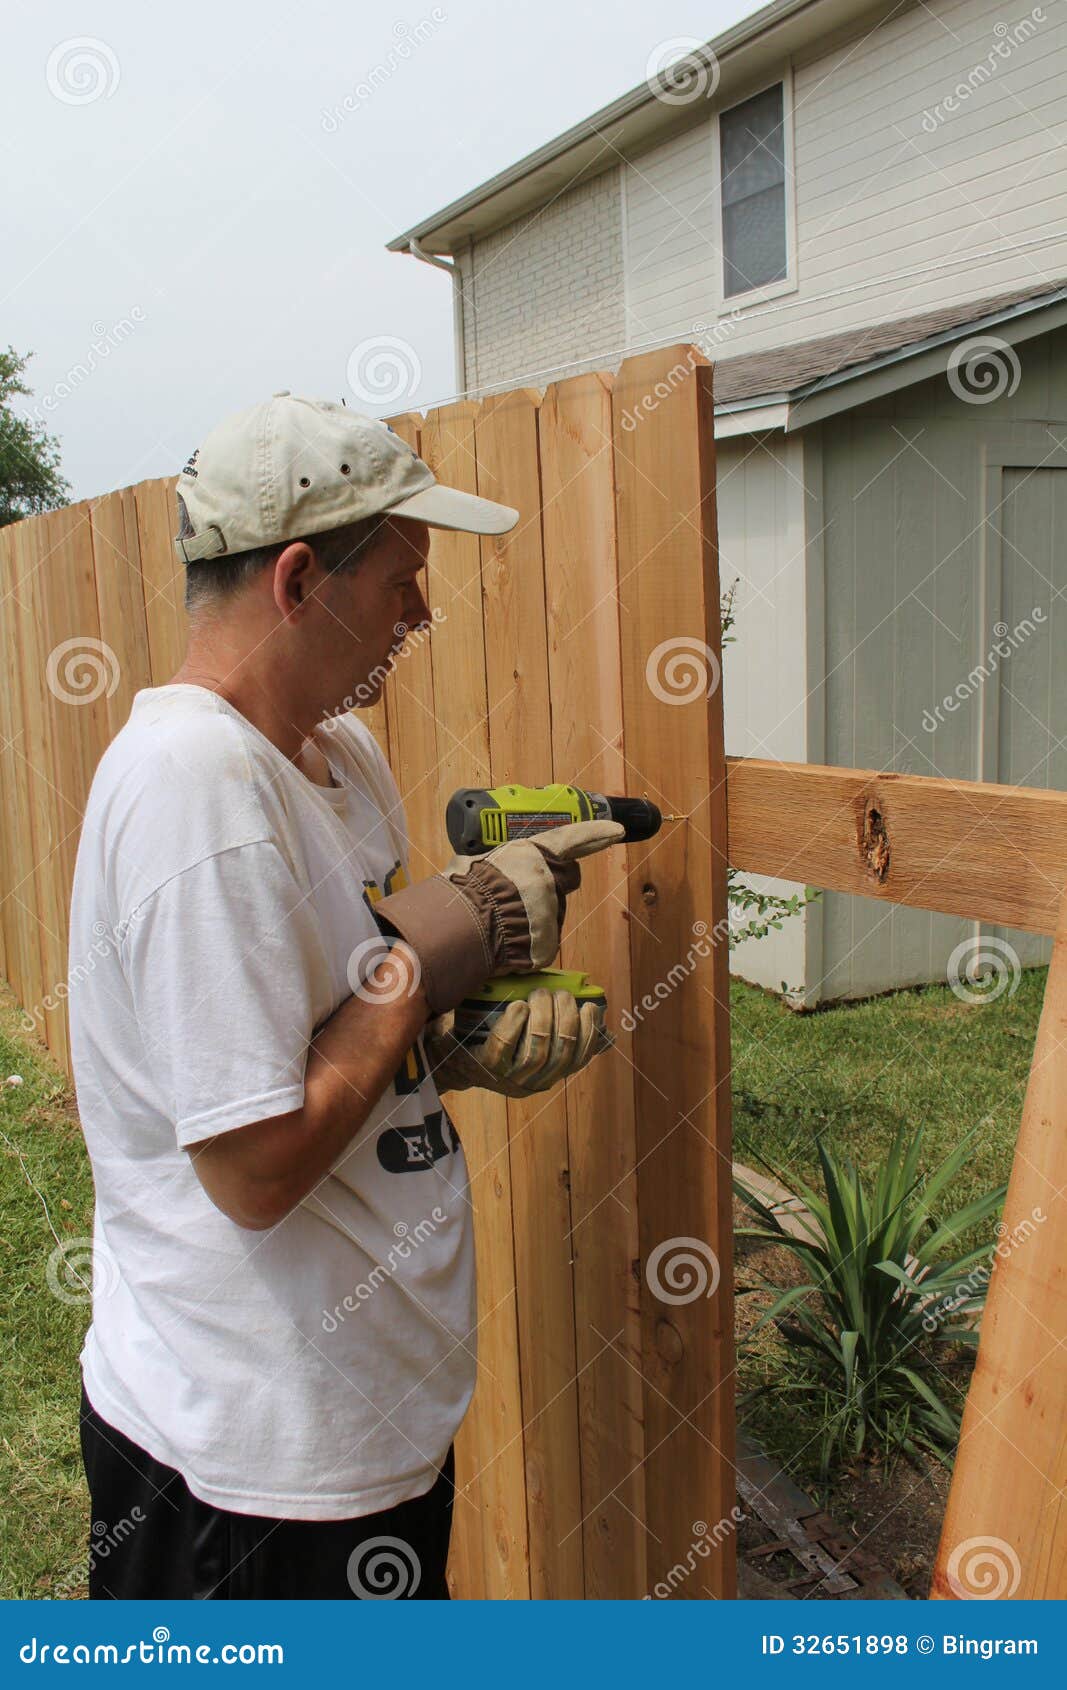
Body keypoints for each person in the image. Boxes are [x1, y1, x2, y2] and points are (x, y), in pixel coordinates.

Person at [67, 393, 622, 1599]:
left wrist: (451, 1041)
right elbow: (254, 1167)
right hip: (240, 1470)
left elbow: (326, 1018)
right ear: (301, 579)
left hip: (366, 1432)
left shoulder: (337, 756)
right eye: (402, 581)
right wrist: (430, 955)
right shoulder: (192, 788)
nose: (422, 613)